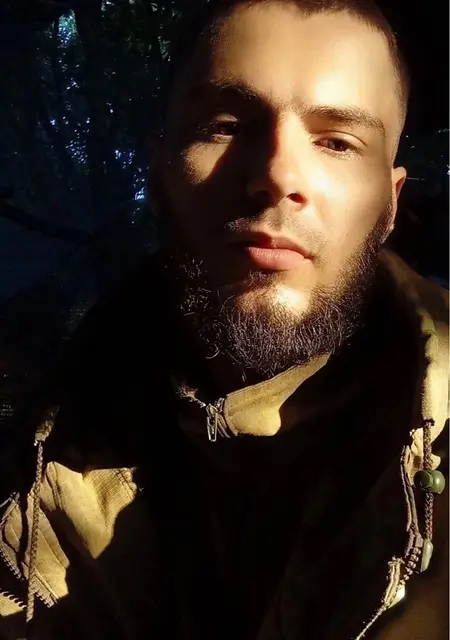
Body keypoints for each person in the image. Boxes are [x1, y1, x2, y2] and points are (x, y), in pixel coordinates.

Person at [0, 0, 448, 638]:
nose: (277, 175)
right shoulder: (32, 459)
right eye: (227, 125)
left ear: (390, 204)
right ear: (158, 172)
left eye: (337, 142)